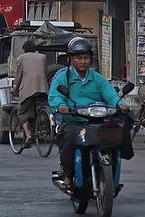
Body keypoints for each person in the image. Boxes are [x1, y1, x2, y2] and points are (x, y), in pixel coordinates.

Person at [48, 37, 128, 191]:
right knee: (69, 138)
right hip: (73, 120)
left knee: (117, 134)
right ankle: (68, 176)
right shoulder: (63, 77)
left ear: (90, 59)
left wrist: (120, 104)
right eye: (79, 58)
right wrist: (61, 106)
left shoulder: (98, 78)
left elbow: (110, 94)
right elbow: (54, 96)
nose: (83, 61)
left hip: (97, 120)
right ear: (71, 59)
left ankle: (110, 174)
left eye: (85, 58)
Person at [12, 40, 52, 147]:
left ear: (24, 49)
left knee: (21, 112)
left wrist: (15, 89)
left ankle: (28, 135)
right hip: (43, 88)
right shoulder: (42, 57)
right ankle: (43, 120)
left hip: (28, 89)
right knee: (40, 106)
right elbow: (46, 72)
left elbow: (18, 76)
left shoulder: (22, 58)